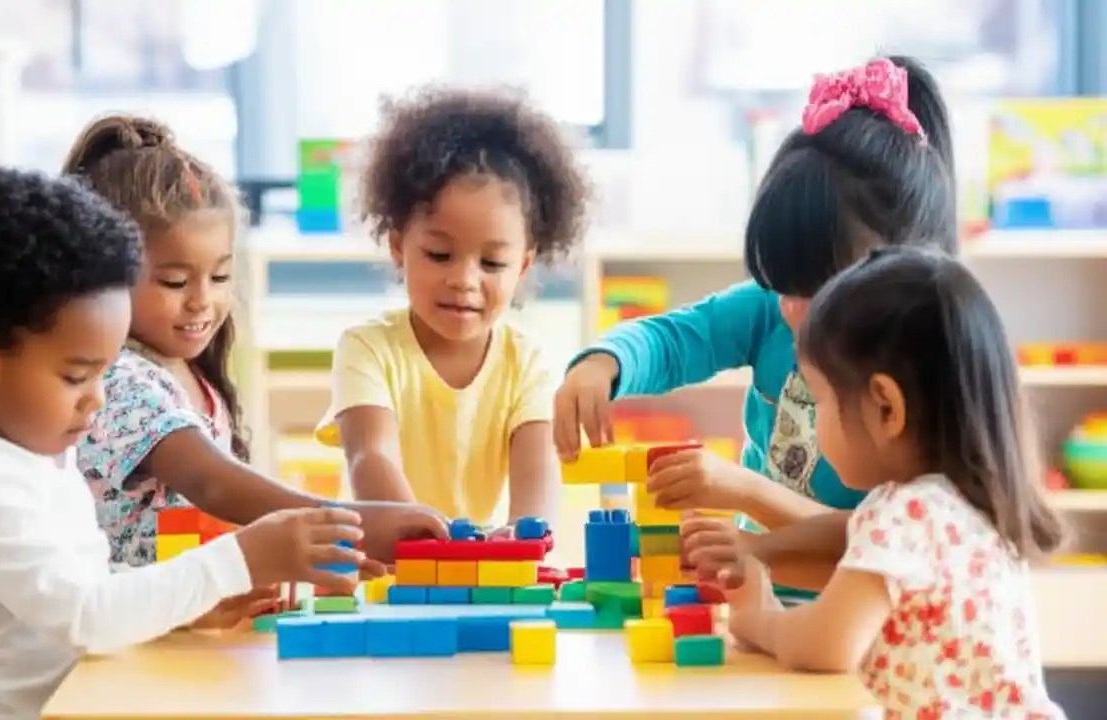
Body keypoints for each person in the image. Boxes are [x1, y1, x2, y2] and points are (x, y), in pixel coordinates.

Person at [0, 167, 368, 720]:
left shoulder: (33, 445)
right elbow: (86, 615)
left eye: (103, 375)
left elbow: (88, 583)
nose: (97, 401)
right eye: (77, 377)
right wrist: (240, 557)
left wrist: (187, 608)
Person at [553, 56, 957, 584]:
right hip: (763, 593)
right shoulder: (776, 308)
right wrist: (606, 362)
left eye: (816, 289)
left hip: (859, 619)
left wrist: (744, 492)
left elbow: (878, 542)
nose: (790, 308)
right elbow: (678, 338)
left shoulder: (921, 384)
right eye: (783, 283)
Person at [59, 114, 447, 578]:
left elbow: (220, 519)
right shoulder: (117, 379)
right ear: (104, 275)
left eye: (220, 276)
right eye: (175, 281)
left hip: (193, 617)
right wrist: (348, 521)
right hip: (140, 624)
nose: (203, 300)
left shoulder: (191, 375)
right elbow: (212, 483)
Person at [685, 246, 1066, 718]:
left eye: (818, 400)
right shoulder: (969, 505)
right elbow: (848, 537)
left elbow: (828, 644)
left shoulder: (904, 512)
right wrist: (756, 551)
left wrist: (761, 620)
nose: (814, 421)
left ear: (886, 407)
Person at [313, 86, 592, 531]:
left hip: (479, 571)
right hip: (380, 569)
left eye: (492, 263)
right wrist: (428, 543)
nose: (464, 280)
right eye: (440, 255)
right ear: (399, 247)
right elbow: (371, 455)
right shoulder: (367, 348)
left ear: (522, 266)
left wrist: (523, 537)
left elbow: (537, 471)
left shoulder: (527, 362)